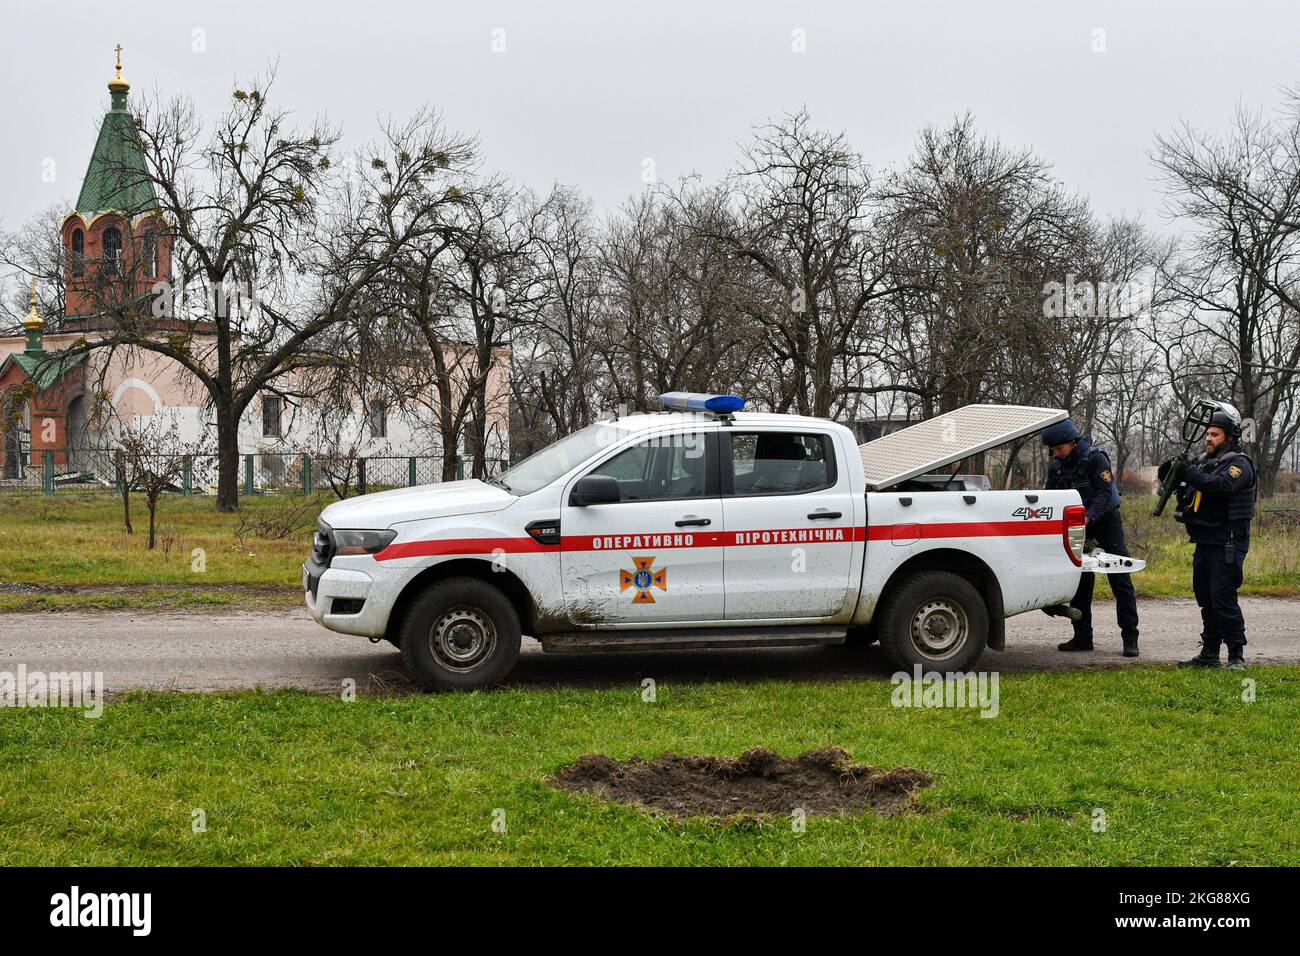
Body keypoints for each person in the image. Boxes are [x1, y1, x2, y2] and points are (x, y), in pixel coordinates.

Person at [1167, 402, 1256, 670]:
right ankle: (1209, 654)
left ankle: (1236, 656)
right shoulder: (1205, 461)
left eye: (1214, 434)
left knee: (1223, 598)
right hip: (1205, 541)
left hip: (1228, 541)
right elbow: (1187, 482)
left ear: (1229, 436)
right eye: (1207, 433)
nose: (1208, 438)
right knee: (1205, 598)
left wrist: (1189, 472)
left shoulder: (1239, 464)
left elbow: (1219, 486)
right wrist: (1171, 471)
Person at [1043, 419, 1140, 656]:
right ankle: (1082, 637)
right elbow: (1051, 496)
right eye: (1054, 450)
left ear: (1072, 443)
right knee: (1081, 582)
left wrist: (1088, 517)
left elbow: (1104, 493)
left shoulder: (1096, 459)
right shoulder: (1057, 464)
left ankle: (1130, 638)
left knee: (1120, 579)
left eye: (1059, 449)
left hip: (1105, 522)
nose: (1057, 454)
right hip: (1078, 527)